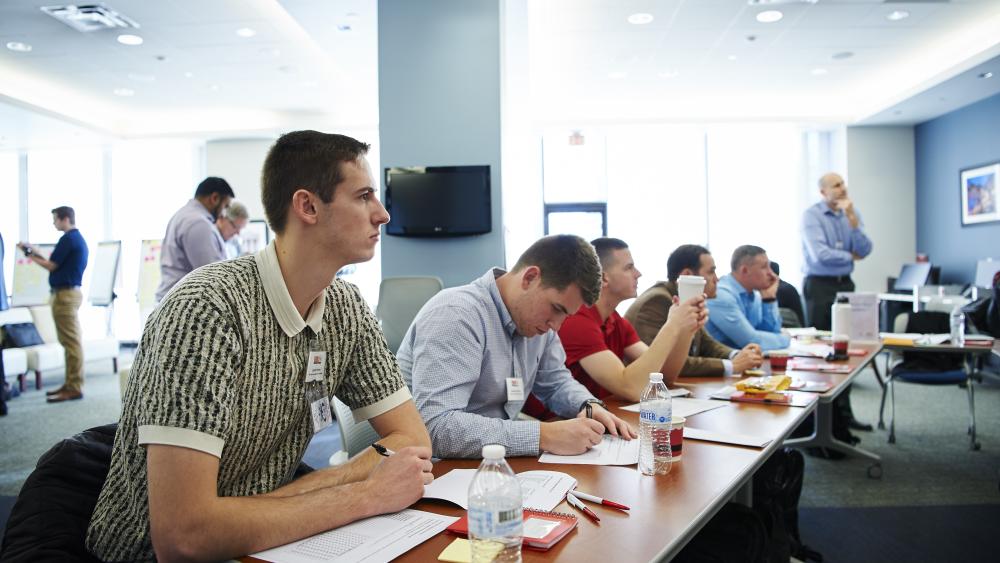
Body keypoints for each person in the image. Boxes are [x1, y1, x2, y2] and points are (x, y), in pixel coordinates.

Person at [86, 131, 433, 561]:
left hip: (272, 543)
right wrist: (365, 493)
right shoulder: (206, 310)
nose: (381, 214)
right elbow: (183, 536)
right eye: (363, 196)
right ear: (307, 206)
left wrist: (297, 497)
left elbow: (414, 441)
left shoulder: (344, 307)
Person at [398, 235, 635, 459]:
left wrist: (588, 404)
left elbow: (556, 382)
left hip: (490, 463)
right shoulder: (457, 315)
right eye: (557, 309)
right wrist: (544, 435)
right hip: (435, 470)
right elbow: (436, 427)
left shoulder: (537, 323)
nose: (556, 325)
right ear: (530, 277)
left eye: (566, 316)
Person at [525, 237, 704, 421]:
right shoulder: (577, 319)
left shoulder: (614, 320)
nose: (638, 273)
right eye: (629, 267)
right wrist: (672, 325)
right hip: (559, 424)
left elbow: (664, 376)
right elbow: (631, 387)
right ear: (603, 277)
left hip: (597, 417)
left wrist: (686, 328)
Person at [800, 172, 873, 433]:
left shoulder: (850, 214)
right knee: (824, 351)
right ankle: (822, 420)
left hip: (846, 284)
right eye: (836, 185)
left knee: (846, 349)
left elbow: (865, 249)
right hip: (820, 285)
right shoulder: (812, 216)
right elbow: (820, 256)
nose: (843, 188)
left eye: (844, 183)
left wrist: (853, 219)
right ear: (823, 192)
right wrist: (850, 257)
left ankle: (844, 414)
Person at [626, 244, 763, 376]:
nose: (717, 279)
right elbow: (662, 364)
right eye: (711, 272)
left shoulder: (687, 300)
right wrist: (732, 366)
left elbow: (706, 344)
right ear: (687, 275)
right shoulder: (657, 301)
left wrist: (739, 356)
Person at [17, 207, 89, 403]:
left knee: (71, 343)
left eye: (55, 219)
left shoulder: (68, 239)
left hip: (65, 295)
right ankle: (70, 383)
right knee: (70, 341)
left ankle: (74, 386)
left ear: (65, 219)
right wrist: (35, 251)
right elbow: (54, 261)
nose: (53, 223)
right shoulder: (76, 239)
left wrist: (29, 255)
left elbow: (51, 265)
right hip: (69, 293)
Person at [154, 176, 235, 301]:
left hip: (173, 300)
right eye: (225, 206)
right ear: (214, 198)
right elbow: (213, 277)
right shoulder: (198, 223)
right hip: (181, 304)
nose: (224, 214)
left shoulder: (184, 215)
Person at [706, 245, 790, 351]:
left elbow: (770, 333)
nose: (771, 273)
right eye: (764, 267)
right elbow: (751, 341)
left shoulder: (754, 294)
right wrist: (786, 338)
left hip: (744, 361)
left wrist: (769, 299)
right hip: (722, 364)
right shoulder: (721, 296)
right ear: (745, 270)